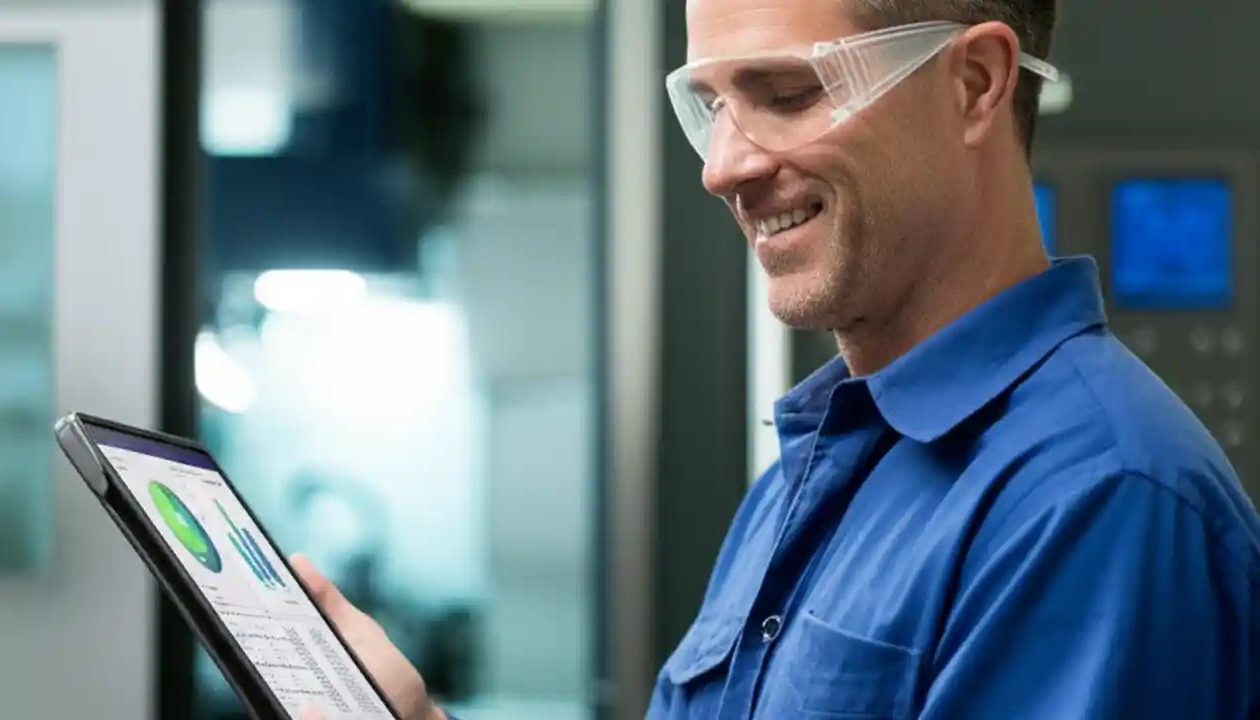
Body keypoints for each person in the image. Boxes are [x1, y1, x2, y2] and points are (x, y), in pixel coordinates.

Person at [297, 0, 1260, 717]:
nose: (723, 166)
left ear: (973, 84)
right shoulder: (824, 468)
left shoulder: (1098, 500)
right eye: (709, 106)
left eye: (788, 95)